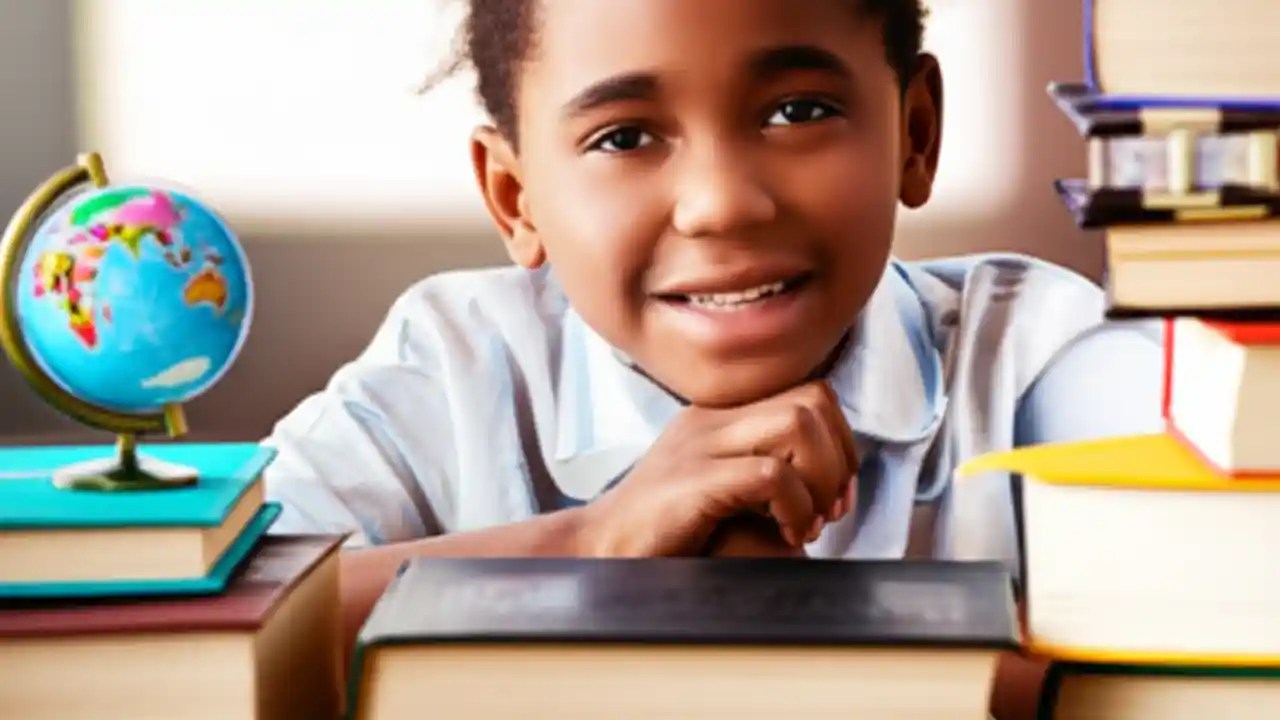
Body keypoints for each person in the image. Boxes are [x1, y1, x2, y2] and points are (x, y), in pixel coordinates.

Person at [261, 1, 1163, 715]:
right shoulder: (455, 369)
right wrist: (593, 546)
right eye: (624, 136)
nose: (722, 205)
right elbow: (203, 632)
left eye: (797, 111)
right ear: (515, 194)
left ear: (914, 130)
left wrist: (809, 636)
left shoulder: (1043, 358)